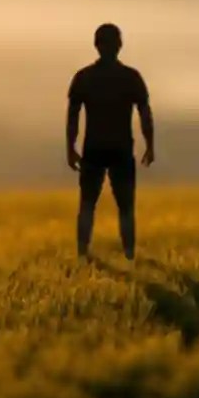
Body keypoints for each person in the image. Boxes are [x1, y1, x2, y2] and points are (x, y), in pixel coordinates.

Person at [66, 23, 154, 260]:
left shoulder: (84, 77)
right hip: (121, 149)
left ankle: (82, 254)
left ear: (96, 45)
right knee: (125, 207)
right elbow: (145, 112)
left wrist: (70, 148)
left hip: (93, 149)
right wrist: (150, 144)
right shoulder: (130, 77)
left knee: (87, 205)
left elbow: (73, 115)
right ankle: (129, 254)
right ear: (120, 45)